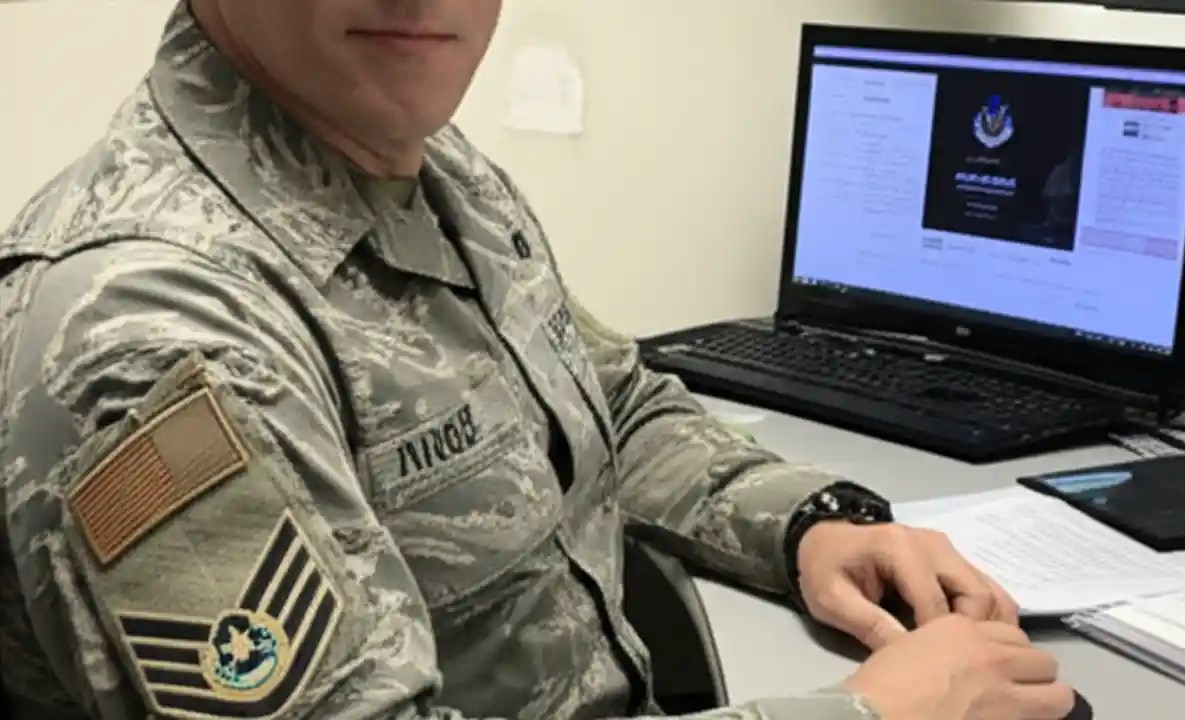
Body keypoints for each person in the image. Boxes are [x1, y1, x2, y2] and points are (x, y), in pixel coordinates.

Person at [0, 2, 1075, 719]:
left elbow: (610, 399)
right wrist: (872, 715)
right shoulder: (148, 335)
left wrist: (805, 524)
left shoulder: (425, 167)